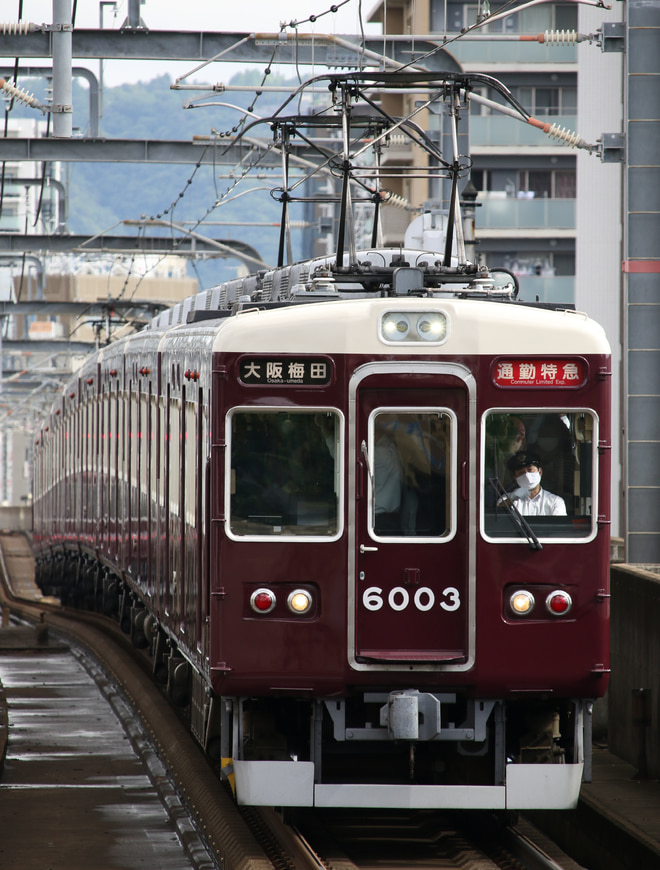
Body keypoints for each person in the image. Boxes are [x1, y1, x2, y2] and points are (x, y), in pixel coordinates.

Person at [503, 448, 567, 516]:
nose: (526, 475)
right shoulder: (507, 499)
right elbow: (499, 519)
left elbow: (556, 526)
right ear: (515, 479)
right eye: (521, 473)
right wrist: (513, 498)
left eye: (530, 470)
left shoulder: (555, 502)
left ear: (540, 472)